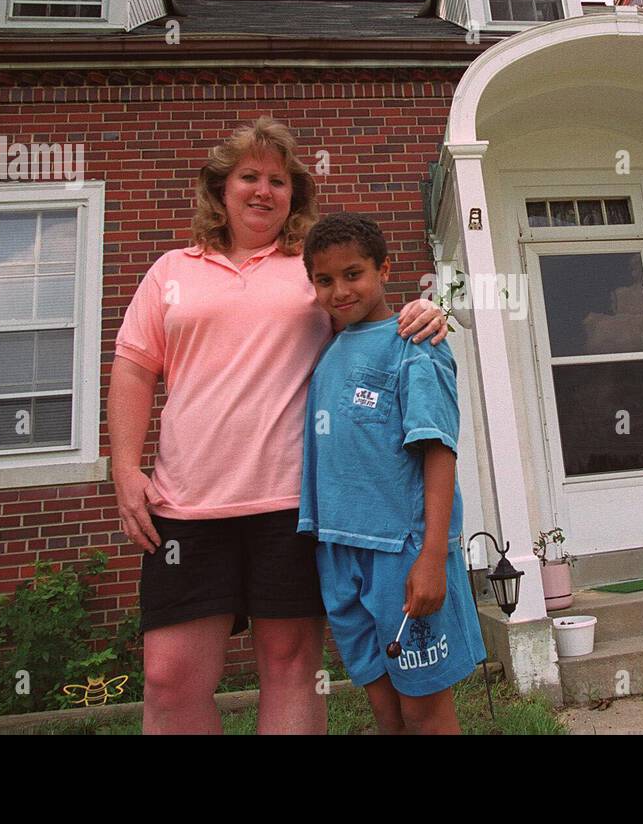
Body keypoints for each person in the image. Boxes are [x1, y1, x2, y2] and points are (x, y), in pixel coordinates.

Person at [108, 118, 449, 734]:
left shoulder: (309, 270)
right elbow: (134, 369)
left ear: (294, 194)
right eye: (249, 177)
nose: (263, 190)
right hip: (185, 505)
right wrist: (124, 469)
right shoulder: (170, 271)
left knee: (291, 664)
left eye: (278, 180)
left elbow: (371, 315)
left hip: (293, 504)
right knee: (168, 673)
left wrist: (428, 307)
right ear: (220, 187)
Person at [298, 212, 486, 734]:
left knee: (423, 709)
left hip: (403, 553)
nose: (339, 290)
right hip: (339, 551)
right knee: (384, 708)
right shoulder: (328, 351)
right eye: (324, 279)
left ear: (384, 269)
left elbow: (438, 451)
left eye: (353, 273)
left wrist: (431, 556)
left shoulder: (414, 343)